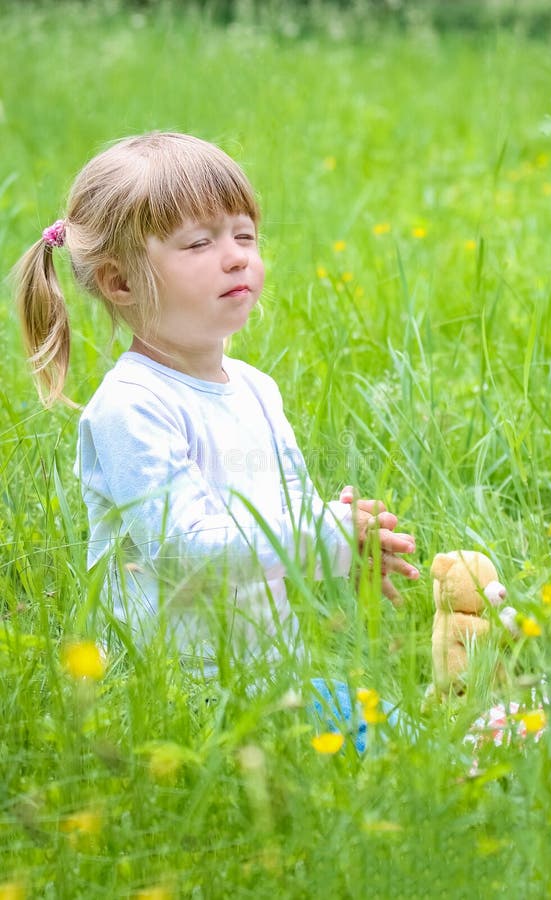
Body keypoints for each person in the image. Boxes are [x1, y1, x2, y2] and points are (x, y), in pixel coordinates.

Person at [15, 132, 419, 743]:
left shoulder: (256, 388)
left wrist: (342, 537)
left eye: (245, 235)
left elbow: (287, 513)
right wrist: (321, 535)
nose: (235, 257)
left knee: (407, 739)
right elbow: (184, 548)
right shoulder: (131, 408)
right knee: (379, 746)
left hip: (268, 678)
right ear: (120, 281)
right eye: (200, 243)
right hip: (174, 695)